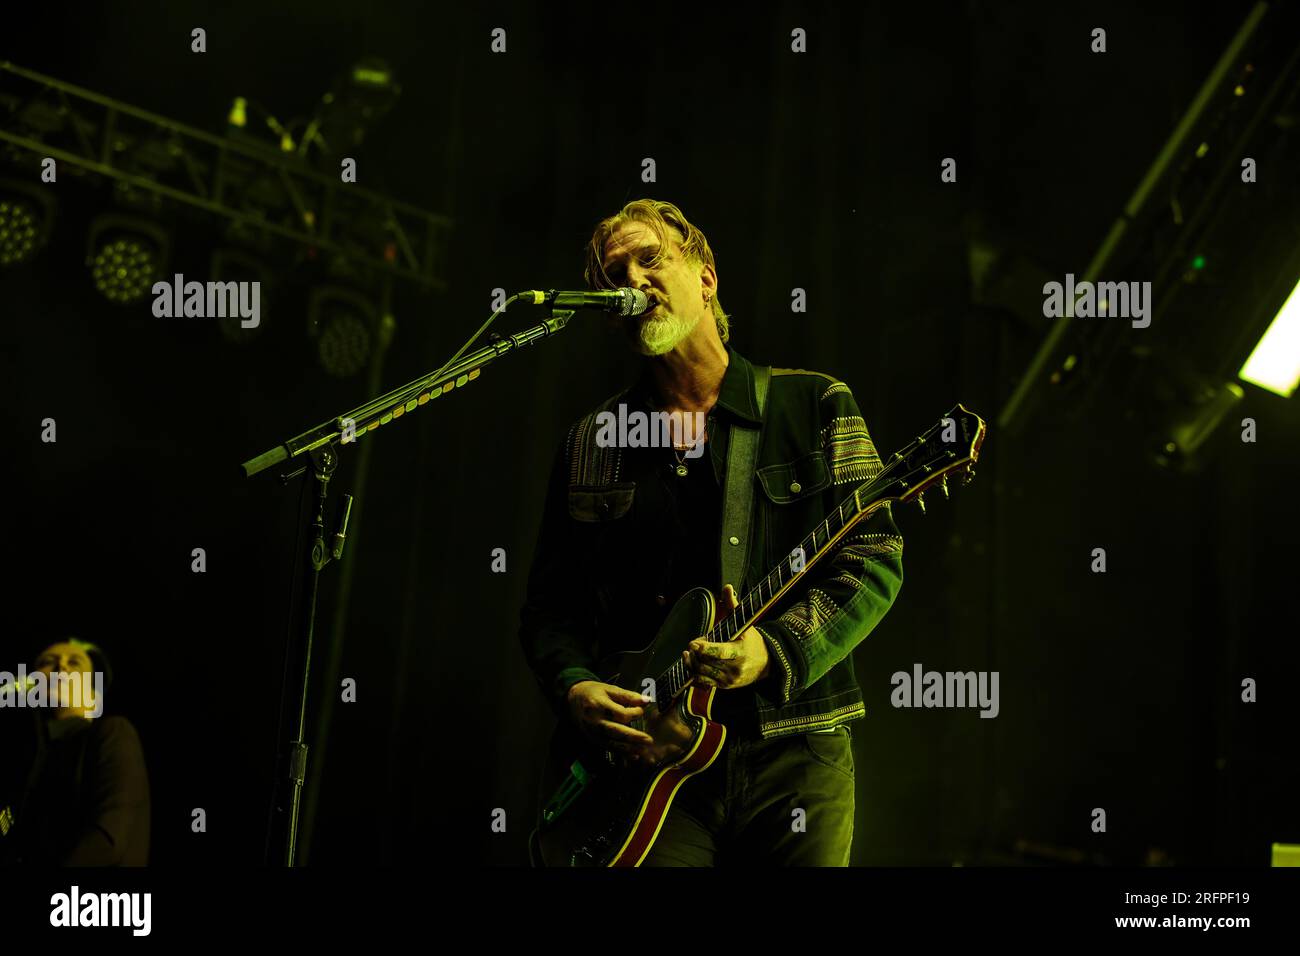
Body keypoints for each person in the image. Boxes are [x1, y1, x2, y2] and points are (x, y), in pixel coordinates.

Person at [519, 199, 904, 866]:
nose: (632, 281)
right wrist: (575, 685)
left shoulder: (814, 403)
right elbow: (553, 609)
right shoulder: (593, 442)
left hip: (795, 751)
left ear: (706, 277)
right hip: (646, 764)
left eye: (651, 260)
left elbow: (873, 560)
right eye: (614, 275)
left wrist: (773, 651)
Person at [2, 639, 150, 866]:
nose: (61, 667)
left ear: (94, 697)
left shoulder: (111, 732)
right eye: (47, 663)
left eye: (75, 663)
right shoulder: (22, 760)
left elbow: (108, 839)